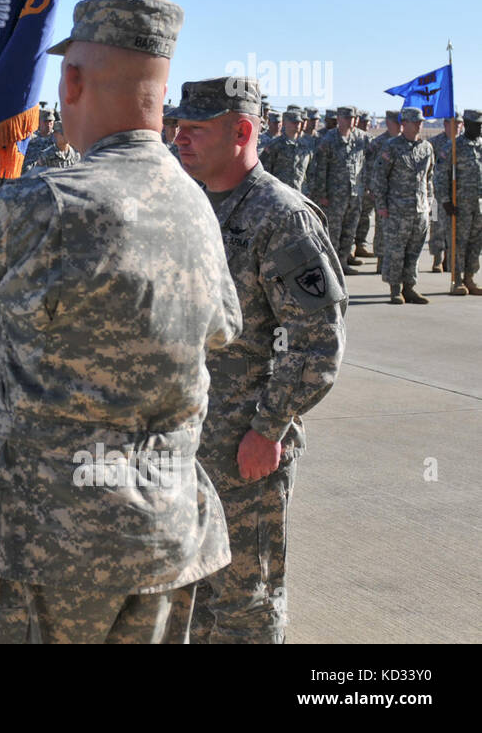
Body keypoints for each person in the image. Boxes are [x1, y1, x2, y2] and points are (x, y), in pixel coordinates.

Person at [0, 0, 241, 643]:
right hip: (162, 540)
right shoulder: (195, 206)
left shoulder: (54, 200)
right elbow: (192, 338)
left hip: (44, 546)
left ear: (71, 79)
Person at [172, 77, 346, 643]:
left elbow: (319, 343)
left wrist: (268, 428)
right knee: (189, 596)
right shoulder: (191, 204)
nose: (179, 139)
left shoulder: (282, 216)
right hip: (183, 442)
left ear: (242, 132)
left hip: (243, 447)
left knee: (246, 604)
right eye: (177, 127)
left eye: (195, 129)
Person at [368, 106, 434, 304]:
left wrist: (429, 205)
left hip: (420, 210)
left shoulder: (426, 148)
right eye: (416, 122)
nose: (420, 125)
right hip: (396, 211)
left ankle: (409, 287)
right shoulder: (391, 147)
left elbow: (429, 179)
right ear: (404, 124)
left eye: (421, 122)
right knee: (396, 251)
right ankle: (395, 289)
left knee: (414, 252)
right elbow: (379, 178)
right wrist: (381, 206)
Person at [308, 106, 365, 269]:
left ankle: (343, 262)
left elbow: (365, 162)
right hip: (334, 196)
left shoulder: (359, 138)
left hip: (354, 194)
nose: (351, 121)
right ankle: (331, 266)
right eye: (347, 118)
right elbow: (321, 169)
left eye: (353, 118)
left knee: (349, 231)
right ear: (339, 119)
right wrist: (322, 194)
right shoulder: (329, 139)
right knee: (333, 232)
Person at [436, 109, 482, 295]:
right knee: (458, 244)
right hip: (459, 206)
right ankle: (457, 280)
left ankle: (470, 278)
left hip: (478, 206)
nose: (480, 128)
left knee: (475, 243)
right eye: (477, 125)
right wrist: (446, 201)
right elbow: (440, 176)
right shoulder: (453, 146)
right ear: (468, 125)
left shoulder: (480, 145)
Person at [366, 110, 401, 268]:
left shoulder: (403, 142)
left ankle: (395, 261)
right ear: (388, 123)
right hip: (383, 192)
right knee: (381, 227)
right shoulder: (379, 143)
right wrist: (371, 188)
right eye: (397, 122)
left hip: (401, 194)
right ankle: (381, 259)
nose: (400, 126)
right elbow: (368, 167)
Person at [429, 115, 462, 273]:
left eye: (459, 124)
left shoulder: (462, 144)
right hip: (437, 195)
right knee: (436, 226)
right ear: (445, 124)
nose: (457, 127)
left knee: (453, 227)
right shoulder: (434, 143)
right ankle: (437, 258)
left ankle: (450, 259)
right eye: (454, 124)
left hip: (457, 194)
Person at [258, 109, 312, 191]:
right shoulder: (275, 145)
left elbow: (310, 172)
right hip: (279, 192)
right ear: (284, 123)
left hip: (299, 193)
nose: (297, 125)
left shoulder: (305, 146)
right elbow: (266, 170)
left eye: (299, 122)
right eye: (294, 122)